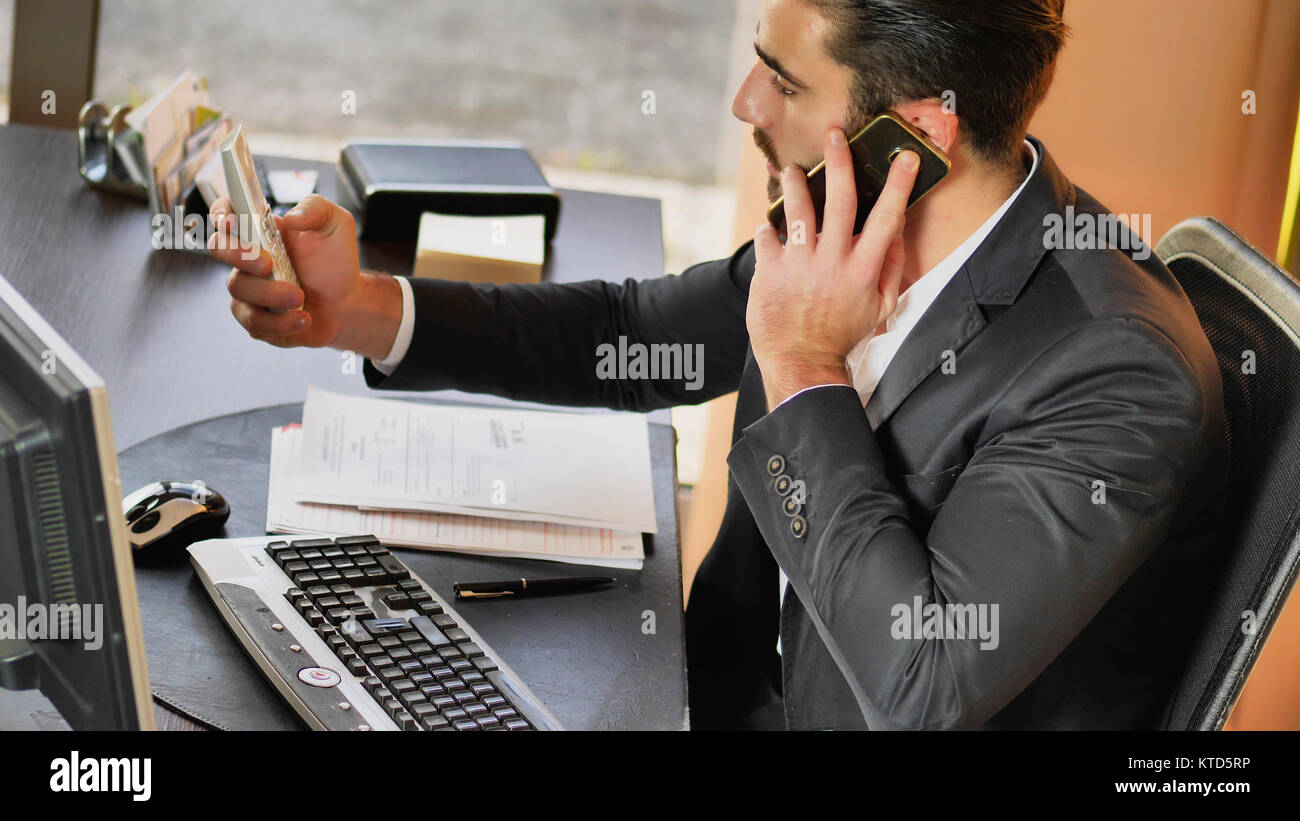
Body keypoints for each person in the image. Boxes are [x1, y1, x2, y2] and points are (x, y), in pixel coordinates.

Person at [210, 0, 1226, 729]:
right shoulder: (855, 214)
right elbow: (632, 332)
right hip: (713, 687)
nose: (746, 101)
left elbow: (919, 682)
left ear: (911, 134)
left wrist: (800, 360)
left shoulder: (1113, 369)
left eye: (783, 79)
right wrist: (361, 310)